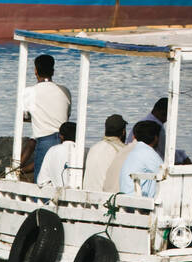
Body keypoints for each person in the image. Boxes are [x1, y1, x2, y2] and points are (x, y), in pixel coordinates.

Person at [23, 53, 72, 181]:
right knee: (62, 180)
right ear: (53, 71)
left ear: (35, 71)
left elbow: (24, 116)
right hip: (65, 140)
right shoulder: (65, 91)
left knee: (42, 183)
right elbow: (67, 114)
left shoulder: (30, 92)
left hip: (45, 141)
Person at [128, 97, 190, 164]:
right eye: (166, 114)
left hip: (135, 157)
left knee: (181, 155)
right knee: (182, 158)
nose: (167, 118)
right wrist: (183, 159)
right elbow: (166, 152)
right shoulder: (157, 126)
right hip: (151, 161)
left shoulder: (142, 121)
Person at [119, 120, 164, 198]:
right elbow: (165, 175)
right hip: (138, 203)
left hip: (127, 198)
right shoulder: (149, 153)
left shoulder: (135, 150)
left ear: (135, 136)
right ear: (156, 138)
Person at [83, 114, 127, 190]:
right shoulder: (121, 151)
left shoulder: (94, 148)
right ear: (123, 132)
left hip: (88, 195)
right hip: (106, 198)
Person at [37, 122, 84, 188]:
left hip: (56, 194)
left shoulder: (52, 150)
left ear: (61, 136)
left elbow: (41, 181)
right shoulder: (82, 152)